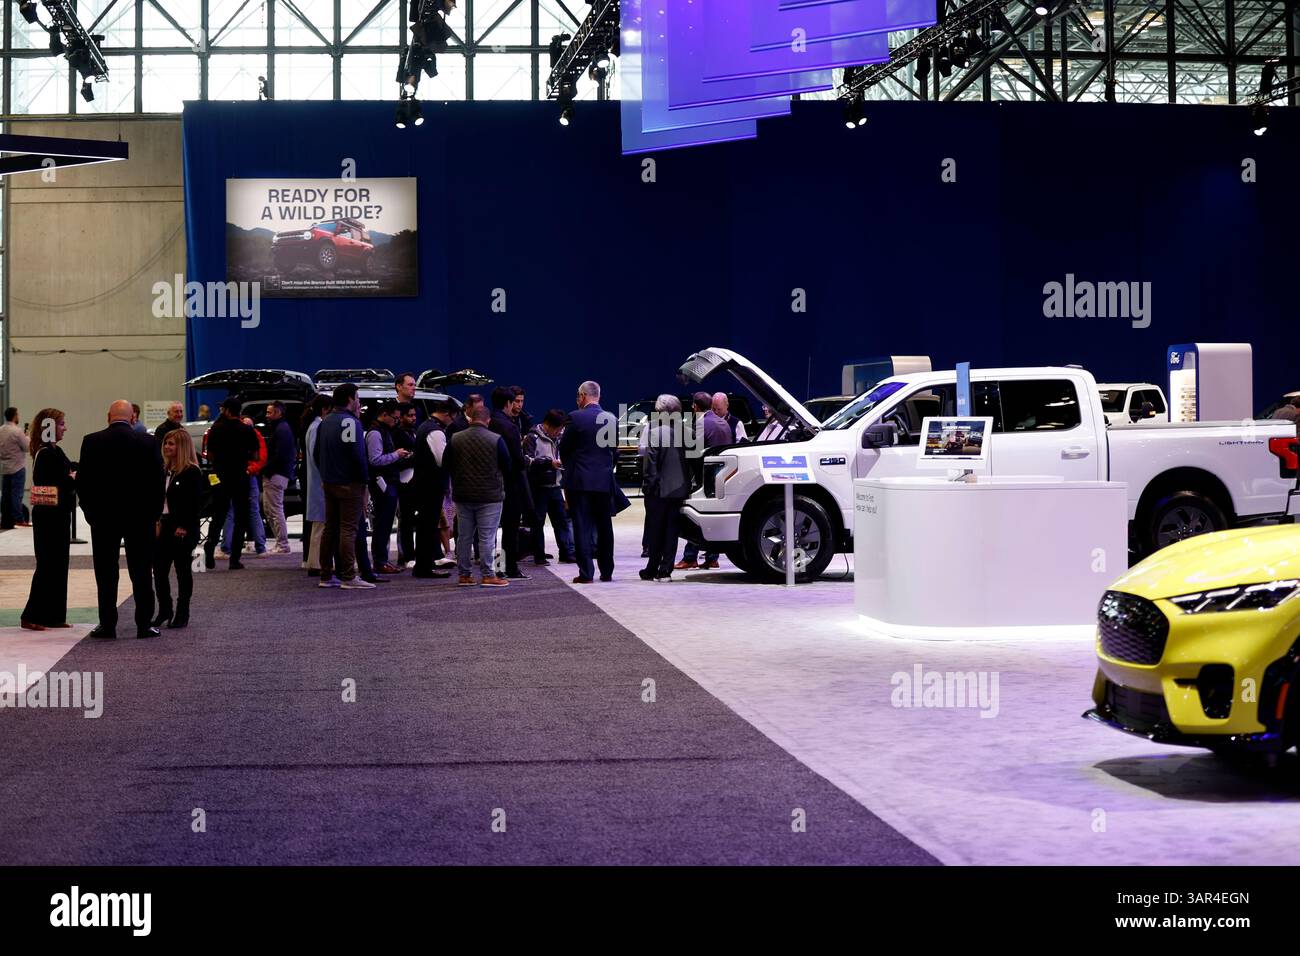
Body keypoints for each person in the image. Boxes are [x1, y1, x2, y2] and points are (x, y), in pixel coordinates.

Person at [77, 399, 164, 639]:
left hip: (104, 519)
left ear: (108, 416)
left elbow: (83, 483)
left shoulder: (92, 441)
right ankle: (144, 624)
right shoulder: (148, 442)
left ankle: (107, 625)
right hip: (141, 518)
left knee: (106, 574)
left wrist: (90, 513)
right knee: (142, 572)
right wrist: (154, 515)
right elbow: (158, 482)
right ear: (133, 418)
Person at [444, 402, 511, 588]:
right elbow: (508, 467)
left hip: (463, 494)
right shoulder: (496, 439)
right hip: (490, 495)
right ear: (488, 420)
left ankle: (464, 575)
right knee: (487, 537)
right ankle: (488, 575)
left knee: (463, 536)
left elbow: (445, 464)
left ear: (470, 418)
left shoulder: (455, 438)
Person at [20, 408, 75, 629]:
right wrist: (72, 479)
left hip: (58, 516)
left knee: (59, 565)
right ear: (49, 427)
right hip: (49, 518)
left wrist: (73, 474)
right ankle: (31, 615)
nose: (65, 428)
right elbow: (59, 482)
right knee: (47, 565)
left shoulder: (55, 451)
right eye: (61, 424)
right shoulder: (46, 453)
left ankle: (54, 615)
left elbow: (69, 470)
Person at [559, 380, 617, 584]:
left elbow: (564, 449)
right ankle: (607, 571)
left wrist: (572, 466)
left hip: (580, 481)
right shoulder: (610, 418)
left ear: (582, 396)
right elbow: (613, 452)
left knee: (582, 526)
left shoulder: (575, 418)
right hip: (604, 481)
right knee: (604, 526)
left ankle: (586, 573)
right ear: (598, 396)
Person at [315, 383, 372, 589]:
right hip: (350, 483)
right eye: (356, 397)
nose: (358, 400)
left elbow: (316, 453)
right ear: (350, 399)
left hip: (329, 482)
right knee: (348, 529)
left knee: (330, 529)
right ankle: (349, 576)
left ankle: (325, 575)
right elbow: (356, 454)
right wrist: (364, 480)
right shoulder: (351, 422)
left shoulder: (325, 421)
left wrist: (325, 474)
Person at [152, 428, 203, 630]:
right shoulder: (164, 470)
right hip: (163, 526)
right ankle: (165, 608)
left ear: (181, 446)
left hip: (182, 528)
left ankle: (183, 611)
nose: (166, 447)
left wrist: (184, 525)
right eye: (165, 443)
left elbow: (195, 504)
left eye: (171, 444)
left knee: (183, 571)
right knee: (159, 571)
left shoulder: (192, 471)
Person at [640, 394, 691, 582]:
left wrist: (649, 487)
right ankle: (665, 570)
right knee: (672, 531)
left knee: (656, 530)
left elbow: (650, 465)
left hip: (659, 490)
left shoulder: (655, 431)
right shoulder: (687, 432)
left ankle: (651, 568)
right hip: (679, 489)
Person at [204, 397, 258, 571]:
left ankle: (210, 547)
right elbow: (255, 455)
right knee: (241, 517)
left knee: (218, 515)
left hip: (220, 477)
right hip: (241, 478)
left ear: (226, 410)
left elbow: (210, 455)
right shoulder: (246, 429)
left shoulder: (216, 429)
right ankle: (235, 558)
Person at [523, 409, 575, 565]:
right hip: (538, 487)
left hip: (555, 486)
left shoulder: (559, 438)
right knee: (537, 523)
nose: (560, 432)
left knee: (561, 521)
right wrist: (547, 462)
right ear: (548, 425)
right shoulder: (532, 437)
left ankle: (566, 553)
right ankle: (539, 555)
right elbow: (527, 461)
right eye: (558, 429)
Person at [676, 393, 721, 570]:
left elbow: (695, 451)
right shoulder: (721, 421)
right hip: (721, 476)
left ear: (695, 407)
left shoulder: (701, 423)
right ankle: (712, 558)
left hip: (704, 477)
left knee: (695, 518)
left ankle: (690, 557)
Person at [366, 401, 411, 574]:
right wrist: (396, 454)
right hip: (382, 483)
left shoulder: (384, 431)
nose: (397, 422)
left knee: (384, 523)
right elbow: (375, 460)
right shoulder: (375, 433)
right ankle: (379, 561)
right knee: (382, 524)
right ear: (384, 414)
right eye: (395, 418)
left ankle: (382, 560)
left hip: (388, 481)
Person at [412, 400, 455, 578]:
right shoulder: (435, 431)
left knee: (425, 527)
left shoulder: (425, 426)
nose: (453, 421)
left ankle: (424, 565)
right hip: (431, 486)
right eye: (453, 417)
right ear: (446, 414)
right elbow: (442, 460)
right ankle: (424, 567)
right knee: (428, 527)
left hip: (424, 484)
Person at [489, 386, 528, 579]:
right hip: (510, 485)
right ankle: (509, 568)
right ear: (508, 403)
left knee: (491, 531)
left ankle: (496, 567)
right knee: (510, 529)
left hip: (489, 483)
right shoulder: (509, 427)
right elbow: (518, 460)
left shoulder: (488, 423)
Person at [220, 416, 268, 558]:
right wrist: (250, 470)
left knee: (233, 512)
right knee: (252, 510)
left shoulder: (234, 434)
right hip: (248, 476)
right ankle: (260, 547)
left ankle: (226, 548)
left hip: (239, 475)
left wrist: (248, 470)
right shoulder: (254, 435)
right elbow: (261, 457)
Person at [261, 400, 295, 554]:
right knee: (270, 510)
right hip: (277, 473)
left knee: (274, 510)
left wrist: (266, 469)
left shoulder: (282, 429)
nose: (267, 415)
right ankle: (280, 543)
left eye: (270, 412)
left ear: (278, 413)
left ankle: (283, 544)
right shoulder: (281, 428)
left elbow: (280, 455)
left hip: (276, 474)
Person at [302, 395, 331, 576]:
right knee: (321, 524)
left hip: (316, 480)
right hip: (321, 481)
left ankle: (314, 561)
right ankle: (317, 563)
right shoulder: (318, 427)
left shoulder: (313, 426)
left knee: (318, 525)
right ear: (324, 410)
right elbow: (317, 455)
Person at [393, 402, 420, 566]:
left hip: (415, 479)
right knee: (406, 520)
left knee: (412, 519)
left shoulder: (414, 431)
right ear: (401, 417)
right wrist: (413, 457)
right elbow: (398, 459)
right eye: (409, 415)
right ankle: (406, 555)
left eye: (414, 415)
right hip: (403, 480)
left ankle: (413, 553)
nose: (413, 418)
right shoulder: (396, 434)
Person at [1, 406, 28, 529]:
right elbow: (27, 447)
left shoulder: (1, 430)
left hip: (5, 467)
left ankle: (5, 519)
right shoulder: (17, 431)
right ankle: (19, 519)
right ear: (14, 416)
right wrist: (27, 436)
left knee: (6, 495)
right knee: (17, 494)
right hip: (18, 466)